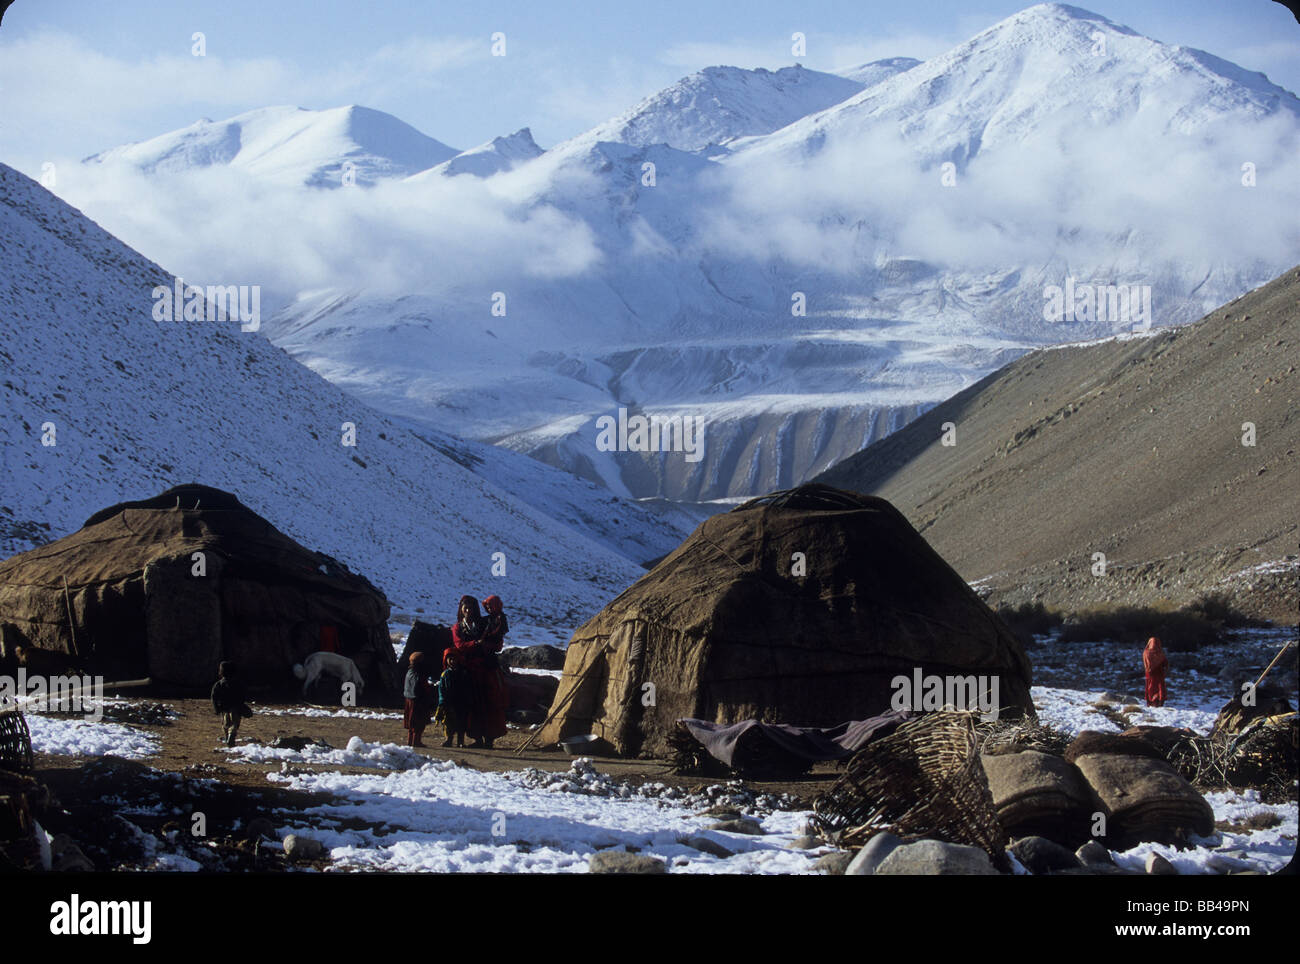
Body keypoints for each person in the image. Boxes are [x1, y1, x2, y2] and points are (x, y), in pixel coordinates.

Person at [210, 661, 251, 747]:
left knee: (225, 725)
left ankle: (227, 739)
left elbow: (214, 697)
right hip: (236, 707)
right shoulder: (238, 683)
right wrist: (241, 704)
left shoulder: (219, 684)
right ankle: (231, 736)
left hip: (224, 707)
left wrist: (216, 708)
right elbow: (243, 694)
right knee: (234, 724)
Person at [438, 651, 471, 747]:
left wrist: (468, 699)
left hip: (461, 702)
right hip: (449, 702)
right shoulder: (445, 674)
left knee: (461, 722)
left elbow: (467, 687)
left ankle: (461, 741)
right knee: (448, 722)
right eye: (450, 659)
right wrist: (442, 701)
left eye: (454, 659)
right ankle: (449, 739)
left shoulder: (463, 673)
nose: (452, 661)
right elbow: (441, 689)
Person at [402, 652, 433, 748]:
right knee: (418, 723)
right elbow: (419, 686)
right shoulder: (418, 674)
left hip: (409, 699)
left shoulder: (409, 672)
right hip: (417, 701)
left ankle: (410, 740)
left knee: (412, 723)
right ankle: (416, 741)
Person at [1143, 636, 1168, 707]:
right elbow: (1166, 663)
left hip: (1149, 674)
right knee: (1159, 687)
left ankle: (1151, 702)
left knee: (1150, 687)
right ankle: (1159, 702)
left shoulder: (1145, 652)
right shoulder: (1160, 653)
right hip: (1159, 673)